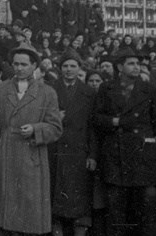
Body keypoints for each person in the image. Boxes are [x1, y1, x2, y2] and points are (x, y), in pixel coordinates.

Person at [0, 41, 63, 236]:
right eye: (16, 64)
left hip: (31, 159)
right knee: (1, 218)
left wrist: (36, 129)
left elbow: (55, 127)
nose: (19, 68)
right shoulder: (2, 89)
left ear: (34, 65)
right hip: (4, 157)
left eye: (24, 64)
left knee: (27, 219)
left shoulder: (47, 92)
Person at [93, 45, 156, 236]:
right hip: (115, 157)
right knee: (116, 211)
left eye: (137, 63)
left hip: (144, 157)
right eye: (131, 63)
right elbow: (97, 118)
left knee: (146, 211)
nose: (136, 67)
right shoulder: (106, 88)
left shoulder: (150, 90)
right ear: (120, 67)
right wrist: (116, 121)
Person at [50, 51, 98, 236]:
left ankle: (80, 229)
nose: (69, 70)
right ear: (60, 68)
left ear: (79, 68)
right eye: (65, 66)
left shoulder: (89, 92)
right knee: (56, 190)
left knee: (79, 194)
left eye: (73, 66)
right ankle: (56, 228)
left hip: (79, 150)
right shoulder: (50, 89)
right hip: (56, 148)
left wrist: (92, 154)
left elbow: (92, 126)